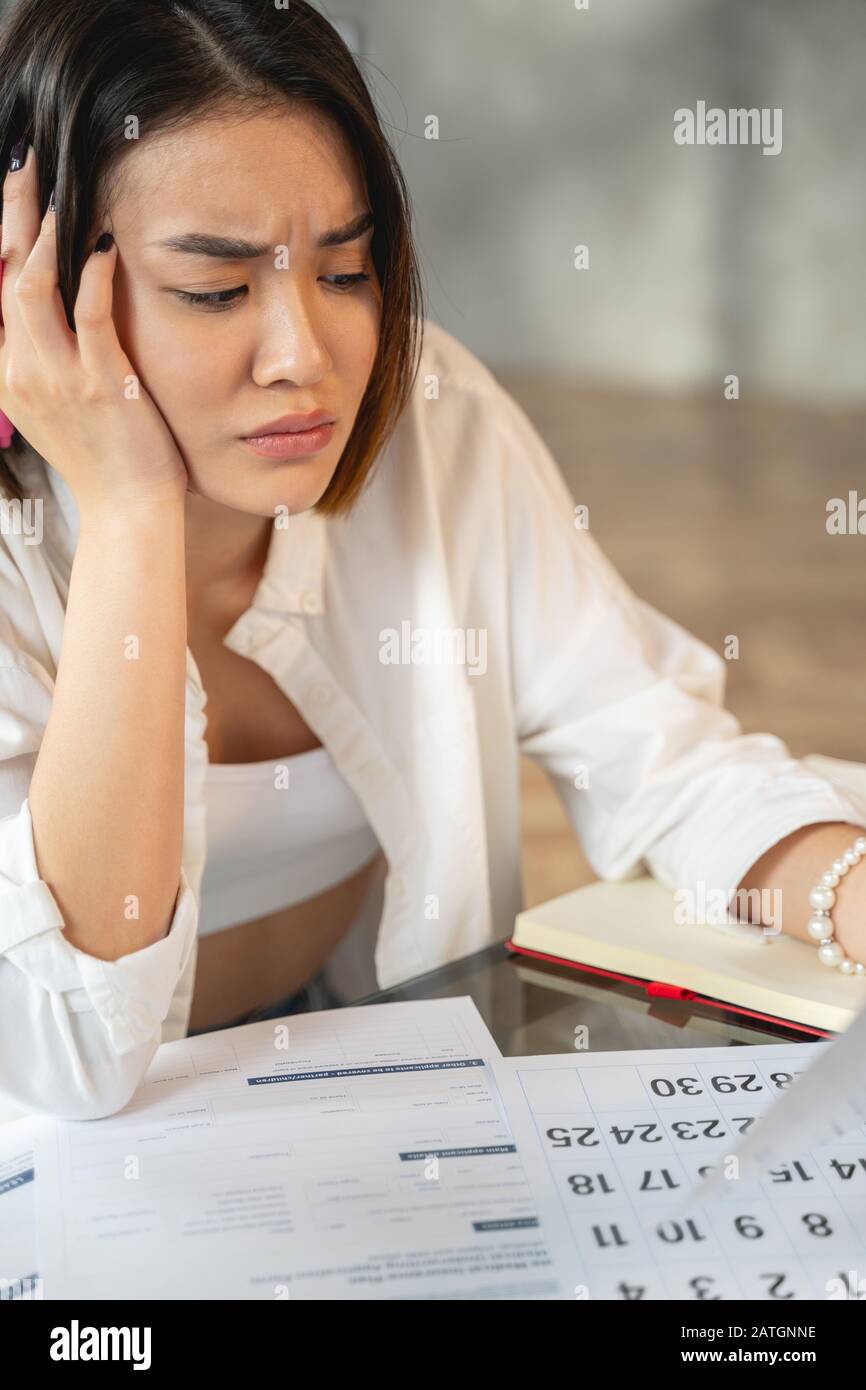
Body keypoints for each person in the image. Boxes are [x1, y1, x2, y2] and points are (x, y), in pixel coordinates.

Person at [0, 0, 864, 1126]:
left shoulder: (432, 420)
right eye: (214, 291)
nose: (302, 355)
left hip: (378, 1107)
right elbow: (74, 1053)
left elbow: (662, 760)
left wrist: (846, 893)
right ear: (38, 287)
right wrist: (129, 515)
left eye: (345, 270)